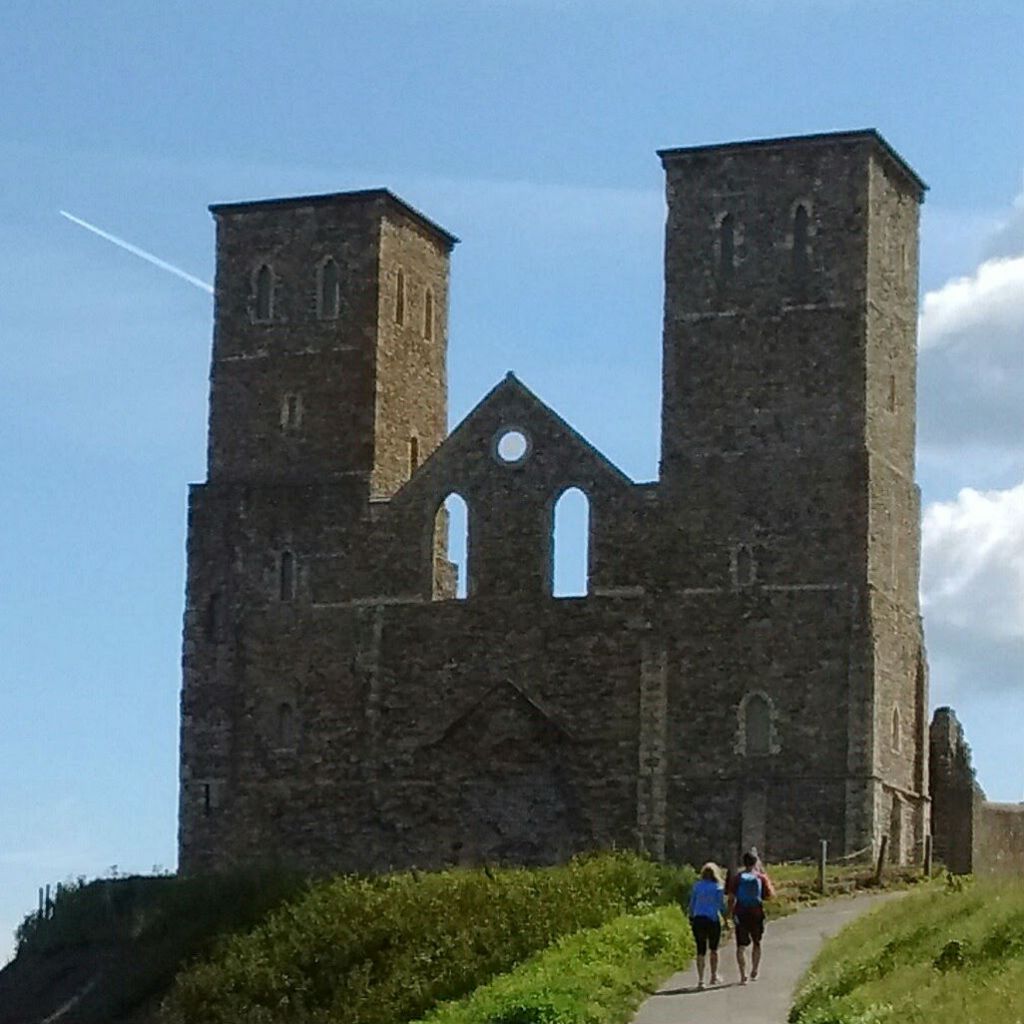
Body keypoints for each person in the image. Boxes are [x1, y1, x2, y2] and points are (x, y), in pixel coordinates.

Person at [727, 850, 775, 984]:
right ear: (755, 863)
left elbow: (731, 898)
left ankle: (743, 975)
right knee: (757, 942)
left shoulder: (737, 878)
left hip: (741, 912)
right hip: (756, 912)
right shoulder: (760, 877)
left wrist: (730, 914)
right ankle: (754, 970)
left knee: (741, 946)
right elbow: (770, 896)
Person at [687, 861, 727, 989]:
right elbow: (721, 906)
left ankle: (700, 980)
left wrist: (691, 917)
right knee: (714, 949)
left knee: (700, 950)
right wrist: (726, 919)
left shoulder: (697, 886)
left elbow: (692, 903)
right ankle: (713, 975)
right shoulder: (718, 887)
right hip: (712, 919)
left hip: (698, 919)